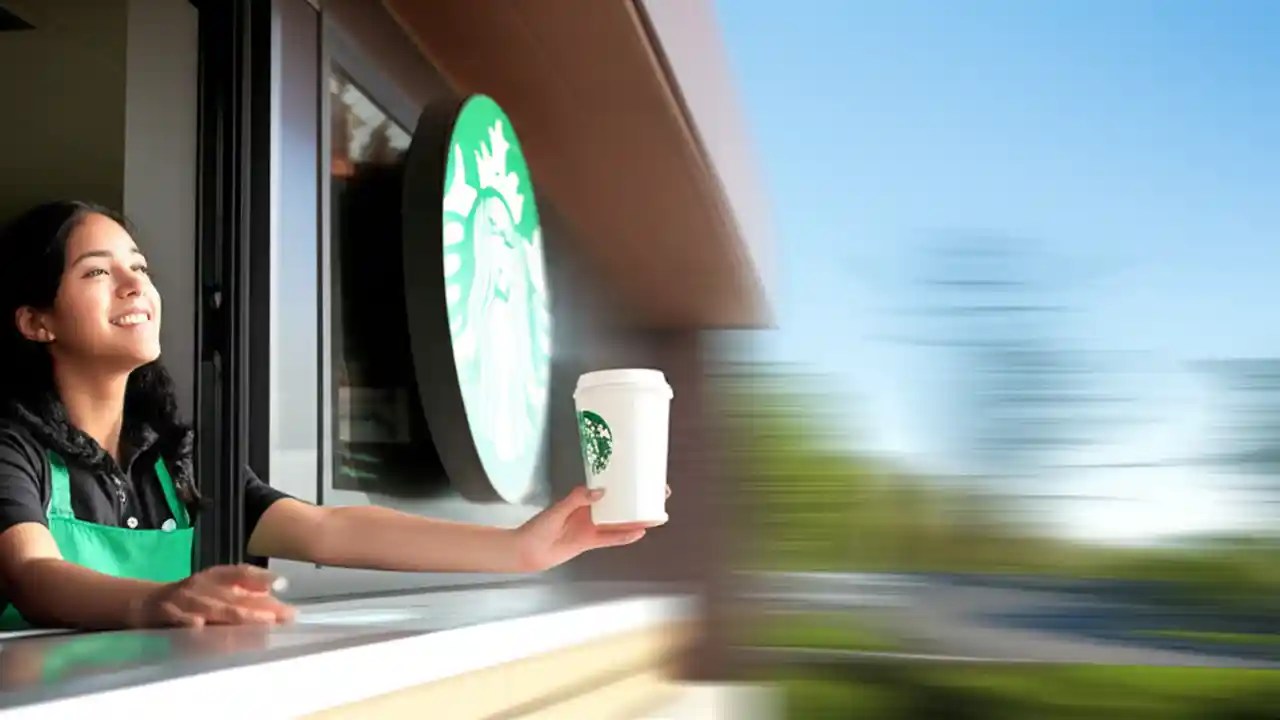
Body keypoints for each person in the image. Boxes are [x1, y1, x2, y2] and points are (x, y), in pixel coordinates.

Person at [0, 200, 660, 631]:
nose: (135, 284)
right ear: (36, 321)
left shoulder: (177, 458)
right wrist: (152, 602)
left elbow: (327, 529)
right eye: (96, 272)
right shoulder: (13, 444)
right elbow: (32, 577)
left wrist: (522, 548)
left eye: (138, 266)